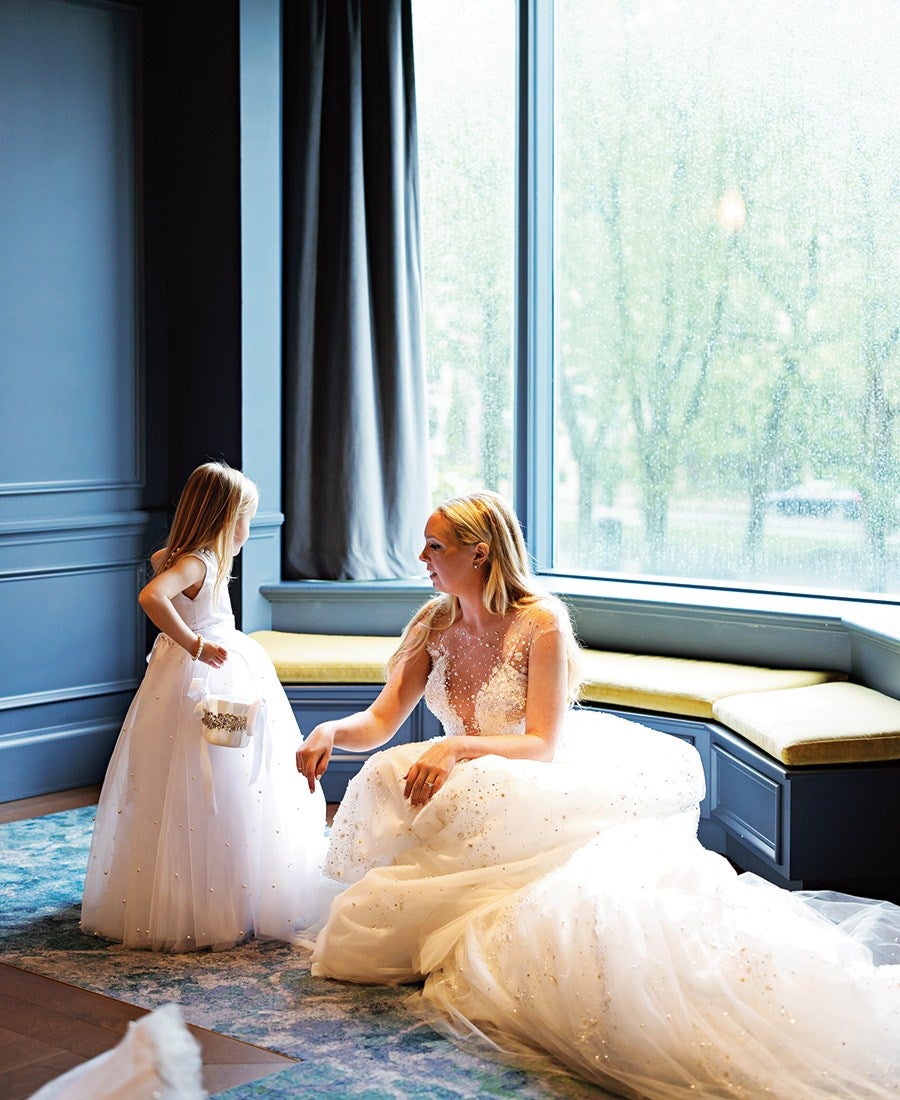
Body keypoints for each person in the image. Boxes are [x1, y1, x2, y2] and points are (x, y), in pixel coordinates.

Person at [298, 490, 900, 1098]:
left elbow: (541, 743)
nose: (422, 558)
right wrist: (332, 731)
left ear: (479, 554)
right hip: (469, 784)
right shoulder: (433, 623)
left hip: (526, 780)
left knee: (541, 911)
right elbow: (381, 720)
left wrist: (456, 747)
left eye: (434, 546)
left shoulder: (540, 621)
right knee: (364, 900)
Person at [81, 462, 331, 952]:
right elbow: (152, 596)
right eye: (246, 520)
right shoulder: (201, 562)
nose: (247, 531)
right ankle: (220, 890)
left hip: (183, 678)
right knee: (221, 772)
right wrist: (195, 644)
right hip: (209, 676)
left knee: (190, 774)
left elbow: (163, 576)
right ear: (226, 519)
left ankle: (199, 883)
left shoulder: (176, 557)